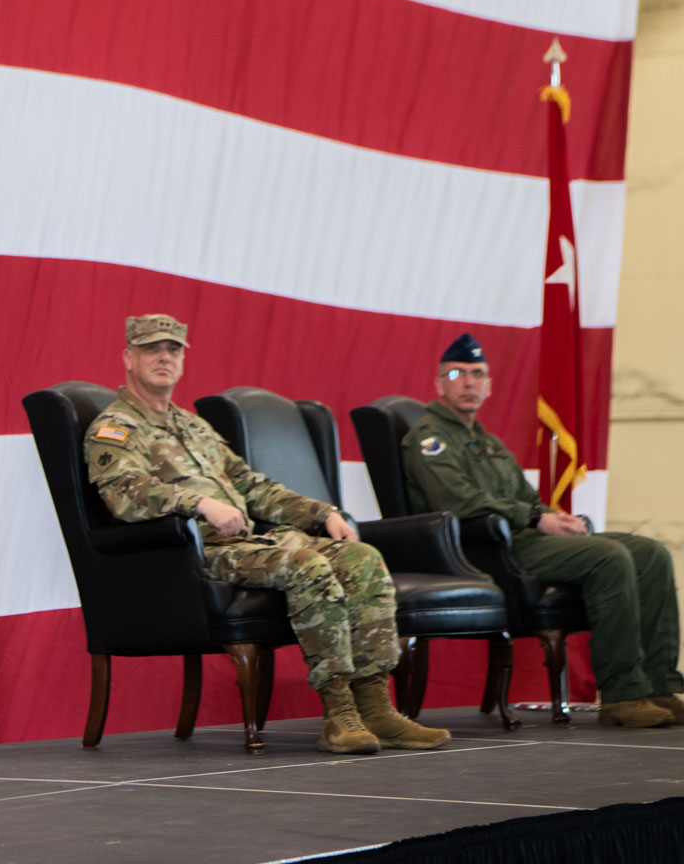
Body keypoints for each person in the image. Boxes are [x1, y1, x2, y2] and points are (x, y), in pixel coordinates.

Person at [84, 314, 449, 753]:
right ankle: (339, 713)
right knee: (308, 566)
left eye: (174, 349)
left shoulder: (194, 427)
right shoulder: (115, 427)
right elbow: (125, 495)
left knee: (363, 558)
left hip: (251, 543)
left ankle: (375, 707)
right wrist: (199, 503)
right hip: (193, 553)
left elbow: (254, 487)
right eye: (151, 348)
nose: (164, 356)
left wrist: (322, 513)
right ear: (128, 357)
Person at [402, 333, 684, 729]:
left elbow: (528, 500)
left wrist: (561, 519)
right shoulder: (431, 439)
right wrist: (536, 519)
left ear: (489, 385)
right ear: (439, 383)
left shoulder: (489, 442)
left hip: (525, 538)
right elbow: (459, 503)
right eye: (457, 373)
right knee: (610, 556)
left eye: (477, 374)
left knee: (651, 552)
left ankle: (659, 686)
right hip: (487, 550)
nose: (468, 382)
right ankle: (623, 694)